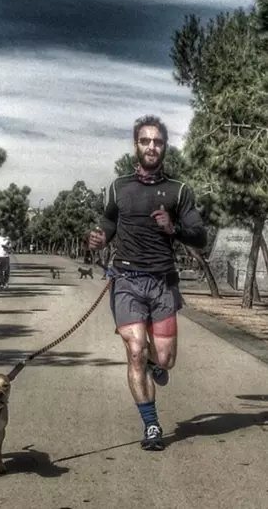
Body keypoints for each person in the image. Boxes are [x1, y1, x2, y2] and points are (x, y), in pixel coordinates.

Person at [89, 115, 207, 451]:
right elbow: (108, 224)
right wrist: (98, 239)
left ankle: (158, 364)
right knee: (136, 352)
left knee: (165, 359)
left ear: (164, 147)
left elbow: (199, 236)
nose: (151, 146)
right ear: (136, 145)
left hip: (163, 284)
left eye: (157, 141)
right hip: (126, 281)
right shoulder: (118, 187)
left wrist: (174, 229)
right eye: (145, 141)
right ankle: (151, 425)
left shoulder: (179, 191)